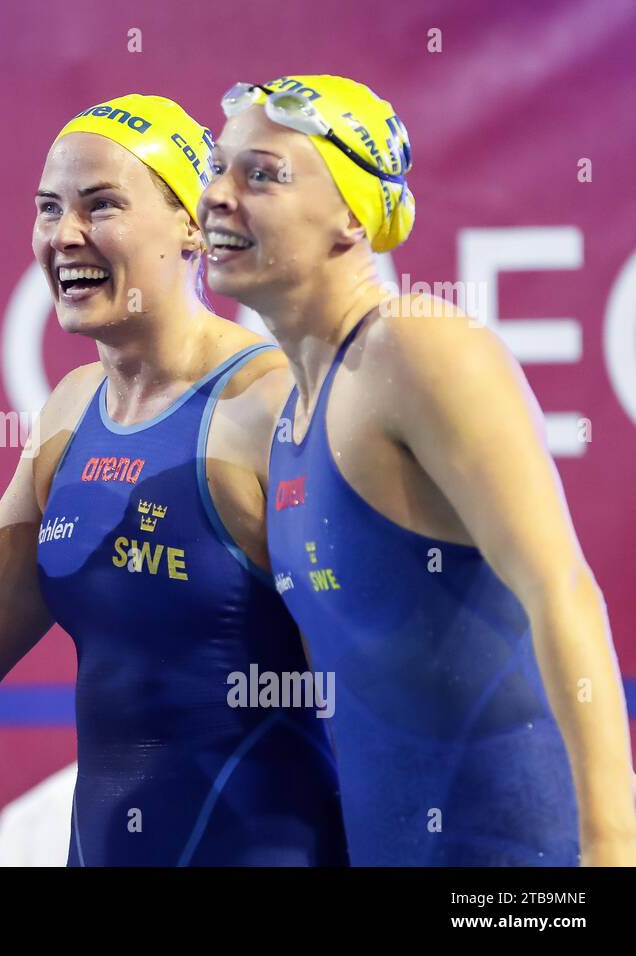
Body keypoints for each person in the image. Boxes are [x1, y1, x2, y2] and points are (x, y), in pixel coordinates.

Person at [0, 95, 348, 865]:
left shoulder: (273, 406)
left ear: (191, 224)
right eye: (48, 208)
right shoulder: (72, 412)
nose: (63, 235)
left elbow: (369, 695)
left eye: (101, 205)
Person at [202, 75, 636, 865]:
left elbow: (562, 590)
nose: (218, 196)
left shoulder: (419, 348)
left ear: (352, 217)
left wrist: (611, 851)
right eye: (215, 167)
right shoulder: (290, 414)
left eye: (260, 173)